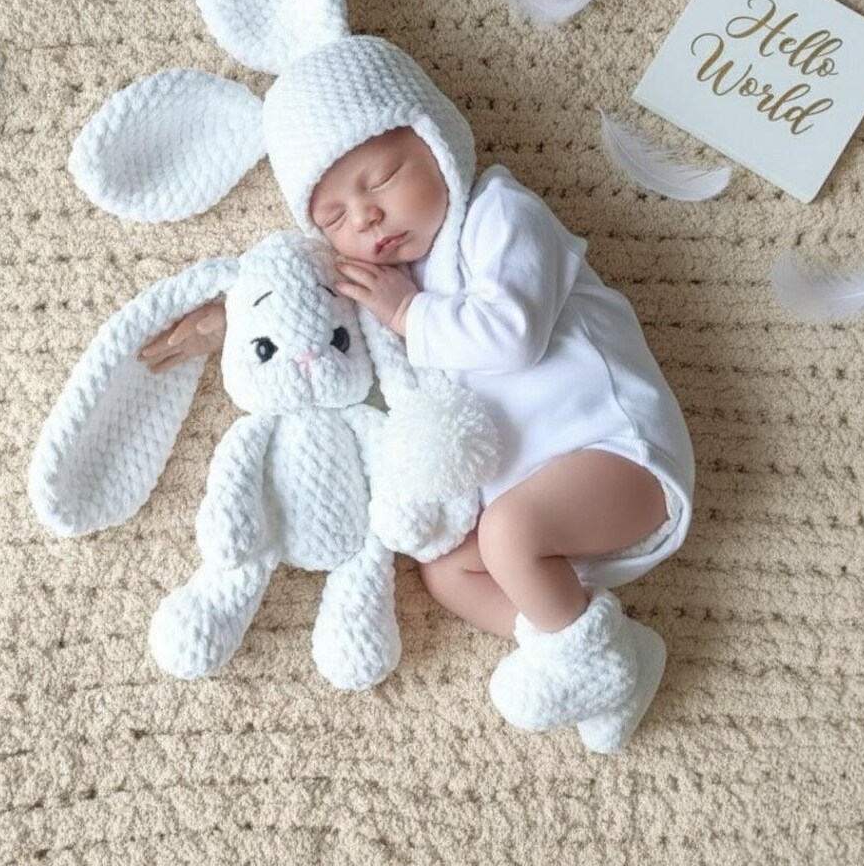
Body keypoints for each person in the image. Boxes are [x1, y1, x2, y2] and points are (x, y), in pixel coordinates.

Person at [139, 120, 695, 751]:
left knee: (508, 533)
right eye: (336, 216)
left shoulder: (497, 213)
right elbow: (312, 318)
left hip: (616, 450)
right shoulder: (391, 281)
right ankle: (604, 650)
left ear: (438, 147)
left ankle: (597, 662)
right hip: (539, 507)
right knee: (445, 571)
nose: (369, 216)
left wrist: (406, 312)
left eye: (382, 179)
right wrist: (236, 318)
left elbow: (515, 332)